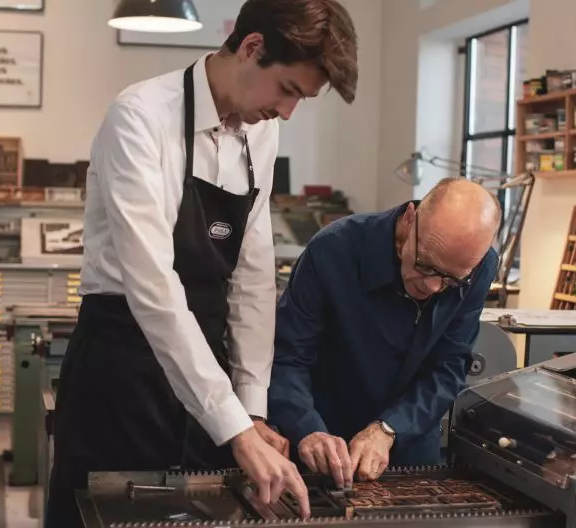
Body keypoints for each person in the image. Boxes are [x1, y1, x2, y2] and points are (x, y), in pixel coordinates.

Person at [45, 0, 359, 525]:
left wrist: (252, 409)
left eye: (302, 99)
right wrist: (232, 426)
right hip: (124, 363)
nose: (287, 112)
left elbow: (253, 278)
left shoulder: (262, 128)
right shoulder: (141, 116)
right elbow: (153, 288)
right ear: (252, 47)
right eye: (287, 90)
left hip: (206, 368)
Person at [267, 178, 501, 489]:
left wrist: (390, 428)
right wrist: (306, 427)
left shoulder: (480, 266)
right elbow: (288, 356)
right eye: (426, 265)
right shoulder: (332, 251)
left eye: (451, 280)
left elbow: (449, 366)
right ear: (409, 219)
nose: (432, 287)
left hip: (410, 440)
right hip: (323, 443)